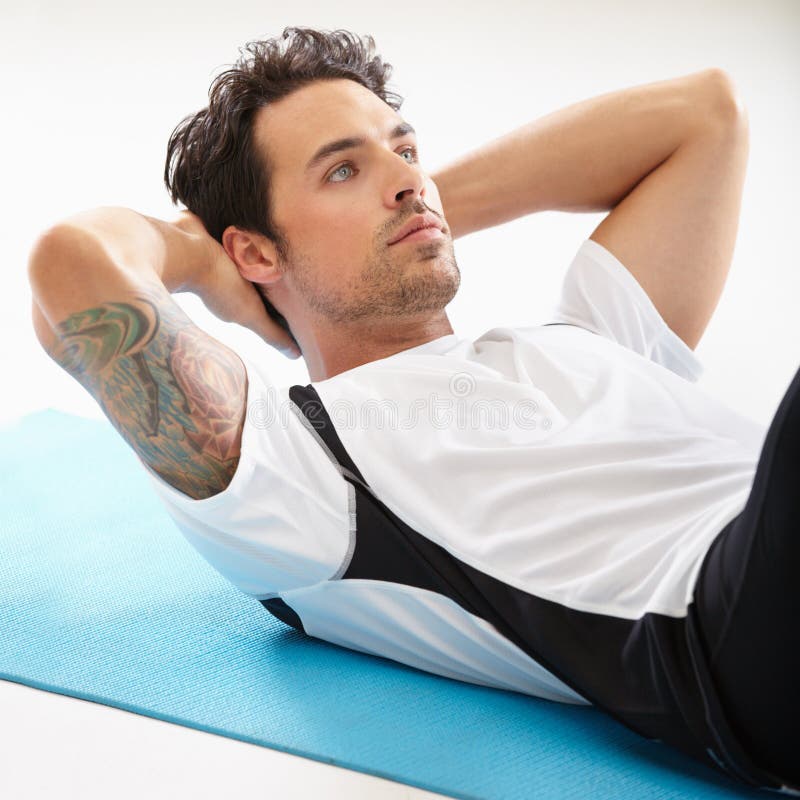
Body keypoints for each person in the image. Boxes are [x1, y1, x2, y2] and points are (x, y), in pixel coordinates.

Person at [27, 26, 798, 794]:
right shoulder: (297, 470)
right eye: (340, 171)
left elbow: (703, 114)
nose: (406, 179)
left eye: (405, 151)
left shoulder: (584, 339)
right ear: (254, 252)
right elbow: (72, 263)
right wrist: (207, 263)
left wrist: (405, 209)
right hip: (730, 635)